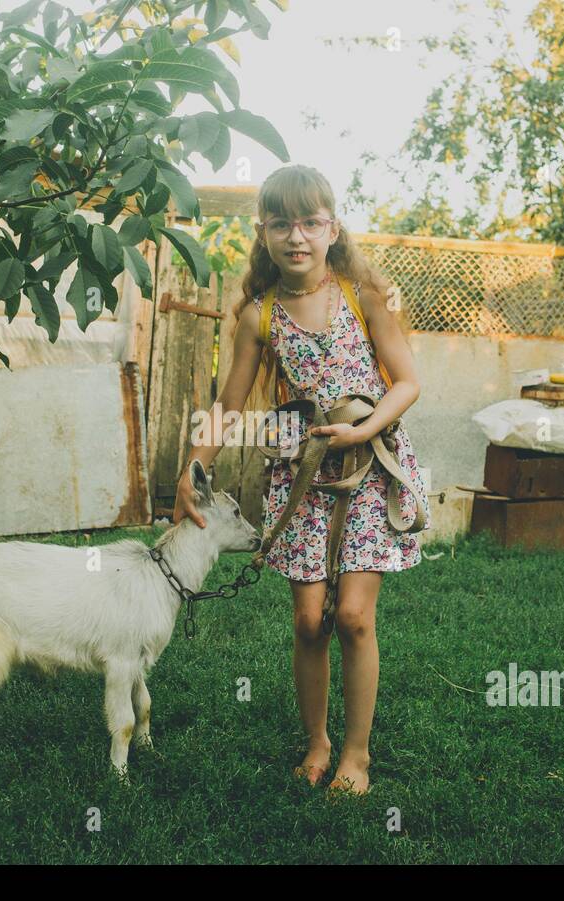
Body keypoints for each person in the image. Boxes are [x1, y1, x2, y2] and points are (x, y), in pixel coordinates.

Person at [173, 164, 431, 796]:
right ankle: (315, 741)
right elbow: (229, 403)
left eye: (311, 222)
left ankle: (356, 754)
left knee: (353, 618)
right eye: (282, 222)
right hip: (302, 477)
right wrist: (195, 462)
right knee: (309, 621)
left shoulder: (364, 293)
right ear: (262, 232)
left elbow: (408, 382)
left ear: (332, 228)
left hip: (369, 471)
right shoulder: (259, 317)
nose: (297, 236)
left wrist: (363, 431)